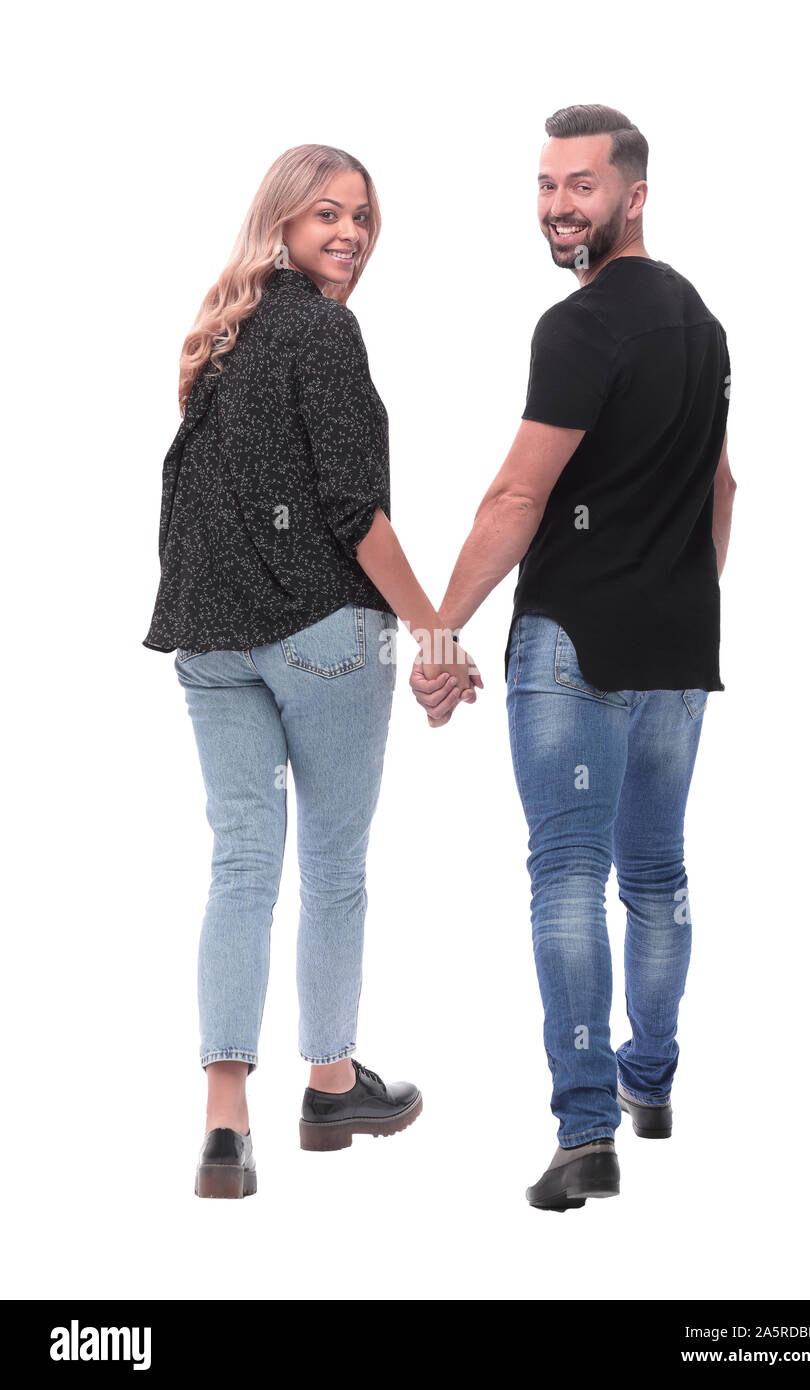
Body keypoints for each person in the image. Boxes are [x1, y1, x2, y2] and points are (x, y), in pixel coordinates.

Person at [410, 103, 736, 1211]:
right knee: (655, 874)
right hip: (678, 649)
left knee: (568, 878)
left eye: (580, 187)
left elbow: (515, 494)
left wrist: (440, 626)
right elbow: (721, 490)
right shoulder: (699, 321)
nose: (557, 207)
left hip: (573, 646)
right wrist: (682, 600)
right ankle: (650, 1086)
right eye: (546, 186)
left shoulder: (582, 324)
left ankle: (585, 1129)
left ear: (632, 195)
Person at [143, 144, 480, 1198]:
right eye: (327, 213)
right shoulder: (323, 330)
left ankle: (224, 1125)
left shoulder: (221, 338)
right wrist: (431, 628)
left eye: (364, 217)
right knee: (331, 866)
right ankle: (330, 1082)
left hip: (209, 638)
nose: (350, 233)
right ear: (279, 222)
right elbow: (352, 511)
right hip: (320, 634)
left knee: (242, 865)